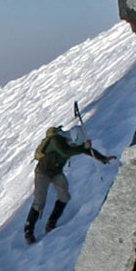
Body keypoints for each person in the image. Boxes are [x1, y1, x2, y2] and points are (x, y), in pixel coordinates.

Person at [26, 101, 116, 242]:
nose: (75, 146)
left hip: (55, 172)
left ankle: (51, 222)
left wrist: (103, 159)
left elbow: (85, 150)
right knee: (39, 201)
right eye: (74, 144)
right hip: (43, 172)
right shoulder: (57, 140)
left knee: (64, 196)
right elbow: (66, 151)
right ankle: (28, 231)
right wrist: (82, 147)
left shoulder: (72, 143)